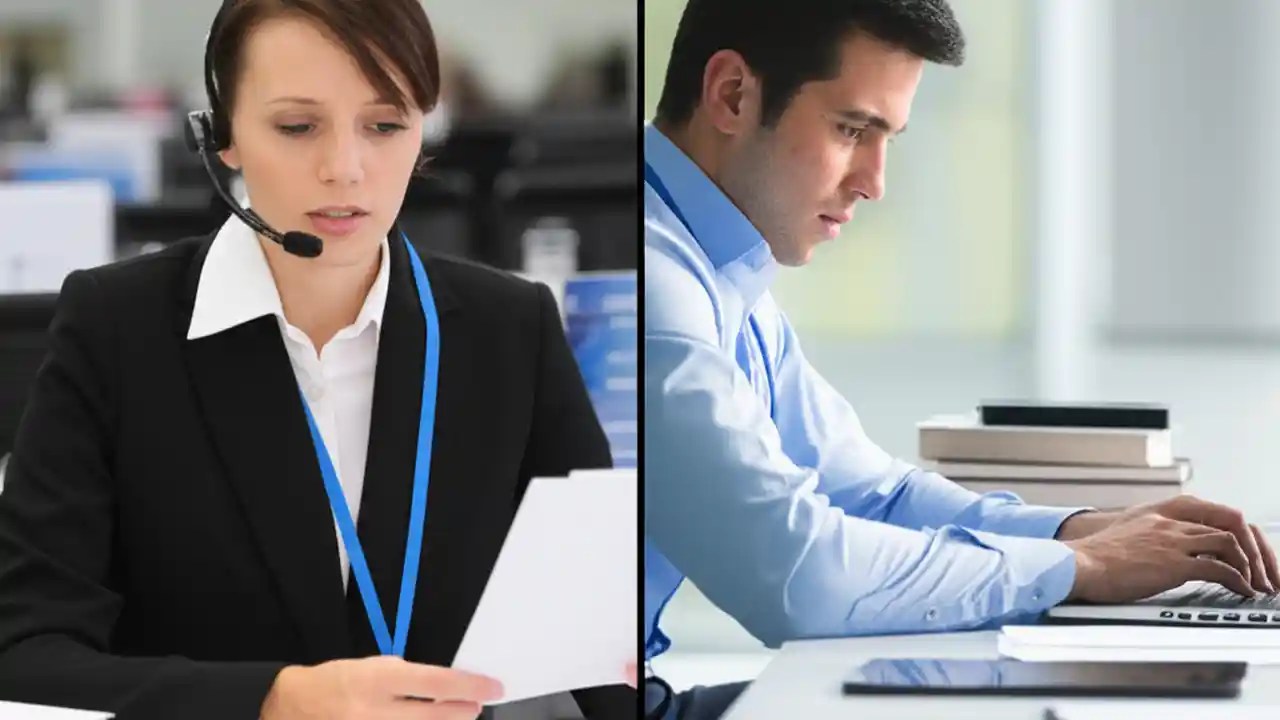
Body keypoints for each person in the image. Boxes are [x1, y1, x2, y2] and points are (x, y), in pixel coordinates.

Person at [643, 0, 1279, 717]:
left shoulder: (722, 268)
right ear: (732, 94)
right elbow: (797, 574)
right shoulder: (646, 285)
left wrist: (1083, 530)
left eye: (888, 140)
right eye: (853, 129)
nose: (874, 183)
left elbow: (870, 494)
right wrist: (1080, 569)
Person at [0, 1, 635, 719]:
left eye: (386, 125)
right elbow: (25, 652)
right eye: (297, 127)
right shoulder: (117, 328)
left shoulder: (510, 332)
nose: (345, 168)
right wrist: (276, 699)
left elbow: (602, 650)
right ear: (222, 138)